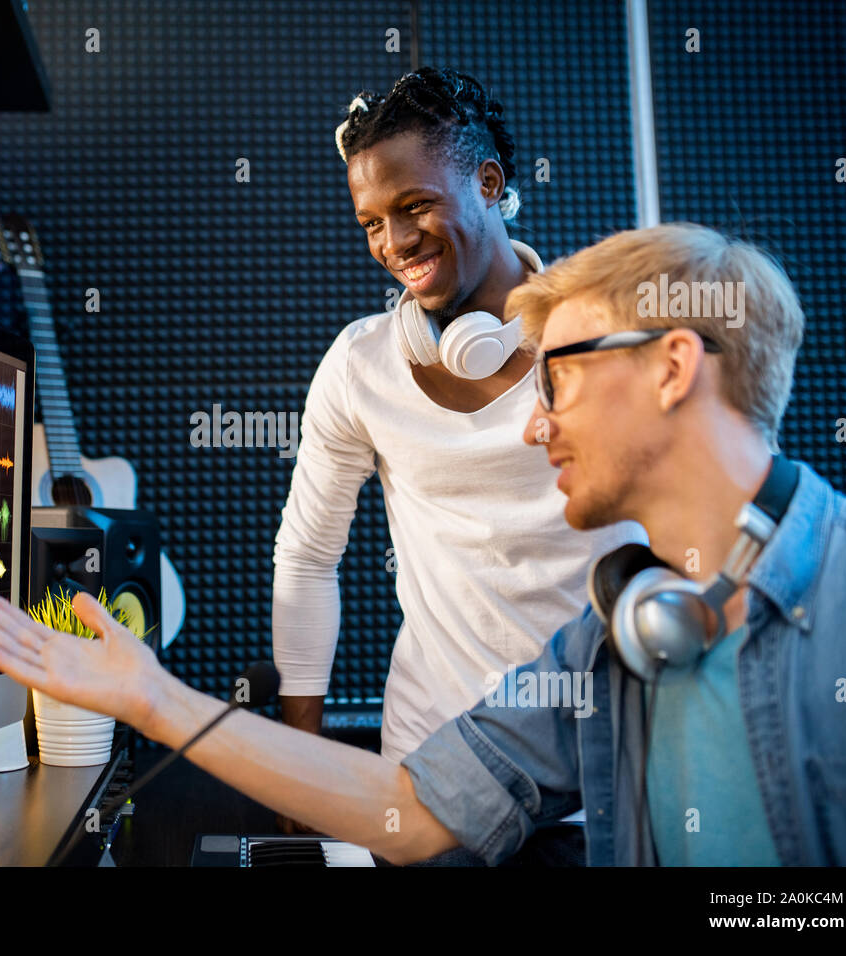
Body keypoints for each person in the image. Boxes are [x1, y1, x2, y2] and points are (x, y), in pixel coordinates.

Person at [0, 222, 846, 865]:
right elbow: (409, 812)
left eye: (558, 380)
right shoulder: (610, 646)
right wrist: (156, 700)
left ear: (672, 367)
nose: (534, 428)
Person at [272, 65, 643, 804]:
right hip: (435, 766)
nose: (395, 242)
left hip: (603, 759)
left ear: (490, 183)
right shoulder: (360, 365)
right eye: (372, 222)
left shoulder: (607, 333)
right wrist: (298, 762)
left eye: (414, 206)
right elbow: (308, 557)